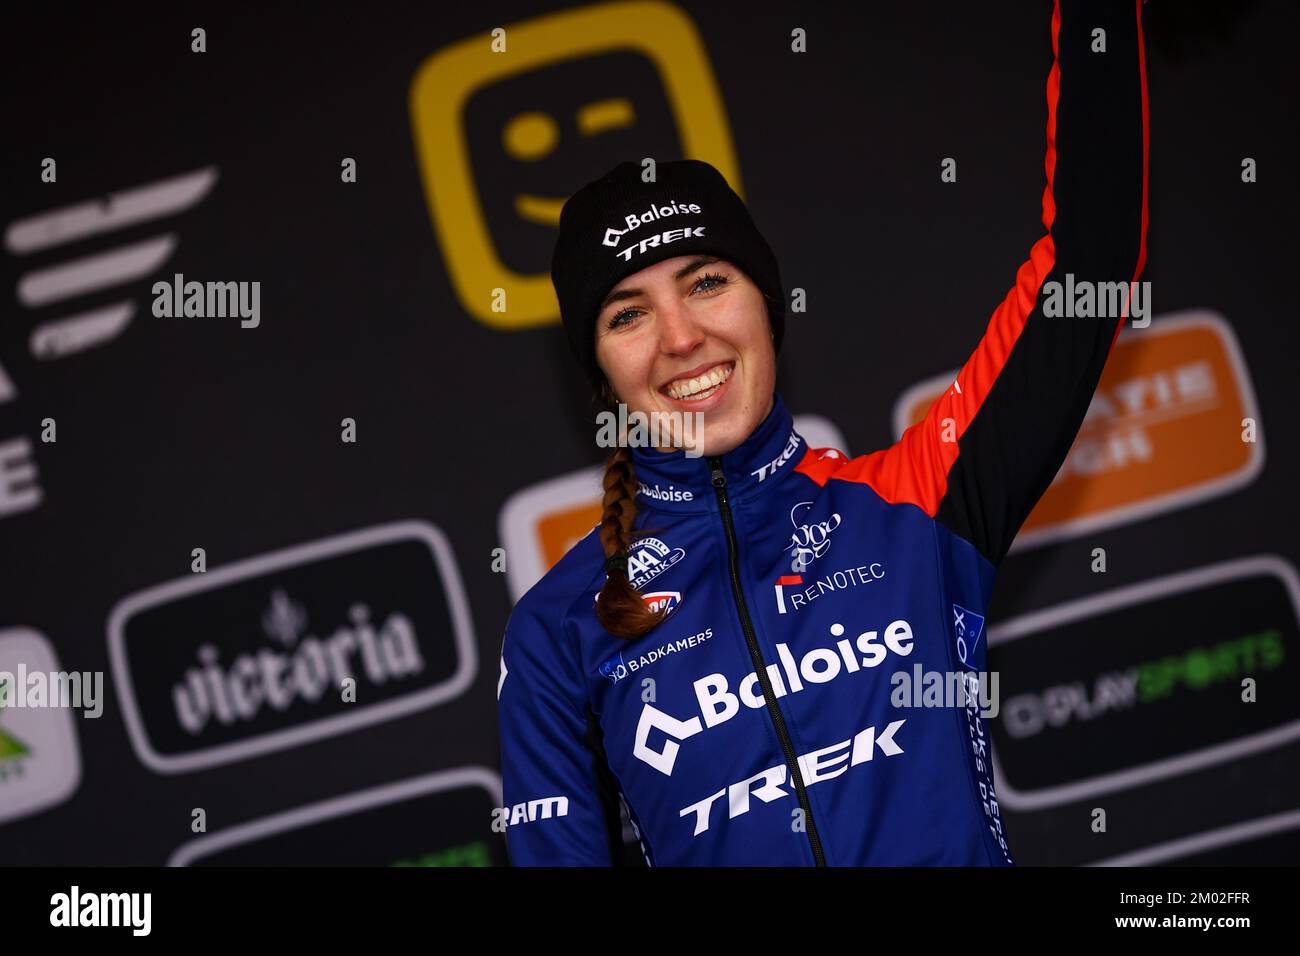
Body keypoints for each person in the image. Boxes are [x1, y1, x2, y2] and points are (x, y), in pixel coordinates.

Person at [497, 0, 1148, 865]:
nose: (682, 339)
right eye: (628, 314)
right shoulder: (558, 627)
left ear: (768, 307)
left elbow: (1088, 261)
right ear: (602, 372)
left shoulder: (919, 502)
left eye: (704, 281)